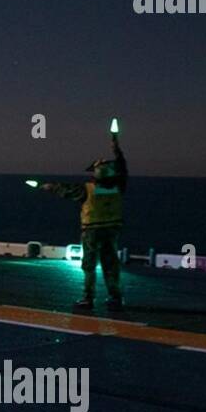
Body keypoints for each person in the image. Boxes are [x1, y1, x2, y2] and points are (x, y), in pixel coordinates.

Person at [36, 131, 128, 310]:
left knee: (89, 264)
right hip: (113, 230)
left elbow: (64, 189)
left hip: (92, 231)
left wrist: (47, 186)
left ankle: (88, 298)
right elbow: (123, 167)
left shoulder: (87, 189)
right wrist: (116, 148)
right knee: (111, 264)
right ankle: (115, 298)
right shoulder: (119, 185)